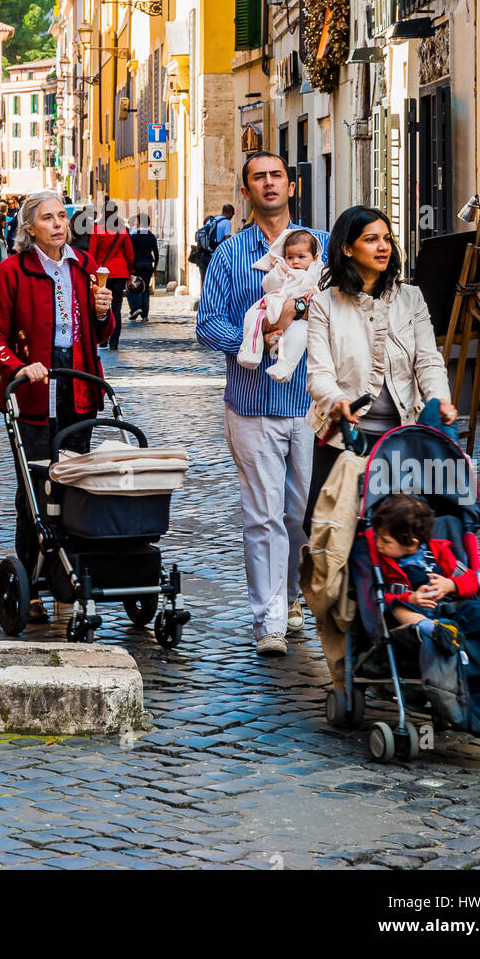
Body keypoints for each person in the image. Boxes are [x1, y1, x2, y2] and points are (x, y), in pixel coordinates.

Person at [197, 152, 329, 657]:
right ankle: (268, 620)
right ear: (247, 190)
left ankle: (293, 596)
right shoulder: (230, 255)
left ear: (291, 186)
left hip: (309, 404)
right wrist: (256, 340)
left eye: (277, 176)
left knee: (299, 513)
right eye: (259, 177)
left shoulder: (318, 249)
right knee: (262, 516)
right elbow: (207, 324)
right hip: (251, 403)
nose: (269, 184)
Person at [0, 191, 114, 621]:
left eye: (62, 217)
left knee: (73, 488)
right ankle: (31, 583)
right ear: (29, 227)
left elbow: (103, 334)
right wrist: (19, 368)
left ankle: (65, 581)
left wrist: (103, 311)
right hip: (34, 392)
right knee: (34, 491)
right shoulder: (12, 270)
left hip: (78, 388)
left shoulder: (85, 268)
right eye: (47, 218)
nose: (57, 224)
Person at [304, 205, 458, 537]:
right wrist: (336, 401)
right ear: (347, 248)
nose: (383, 246)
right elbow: (318, 373)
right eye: (371, 239)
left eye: (386, 238)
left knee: (403, 534)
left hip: (402, 438)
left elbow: (428, 360)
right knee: (329, 532)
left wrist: (439, 400)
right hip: (344, 441)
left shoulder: (411, 299)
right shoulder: (324, 304)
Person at [370, 493, 480, 683]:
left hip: (449, 612)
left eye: (385, 541)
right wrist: (409, 599)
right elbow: (378, 597)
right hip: (415, 618)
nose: (378, 544)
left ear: (411, 543)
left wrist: (451, 584)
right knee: (397, 608)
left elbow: (472, 581)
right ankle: (436, 630)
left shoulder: (439, 551)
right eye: (378, 538)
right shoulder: (384, 563)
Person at [237, 229, 323, 381]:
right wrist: (279, 273)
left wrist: (315, 290)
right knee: (252, 316)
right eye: (290, 257)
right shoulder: (282, 269)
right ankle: (251, 348)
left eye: (301, 257)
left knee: (299, 336)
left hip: (299, 319)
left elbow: (328, 289)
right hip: (272, 304)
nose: (295, 261)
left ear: (315, 257)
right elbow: (268, 285)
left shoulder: (318, 271)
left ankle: (285, 366)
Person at [88, 202, 134, 350]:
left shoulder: (97, 230)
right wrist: (130, 270)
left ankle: (103, 338)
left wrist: (92, 273)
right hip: (119, 272)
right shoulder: (122, 230)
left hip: (102, 273)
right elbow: (129, 253)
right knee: (116, 307)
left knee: (102, 304)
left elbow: (92, 253)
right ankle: (114, 341)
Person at [128, 213, 159, 320]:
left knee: (134, 287)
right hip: (148, 265)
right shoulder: (151, 236)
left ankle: (136, 308)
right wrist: (155, 268)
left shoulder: (134, 235)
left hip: (136, 265)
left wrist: (130, 266)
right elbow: (156, 253)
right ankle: (145, 315)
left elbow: (130, 252)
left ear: (139, 222)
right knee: (145, 290)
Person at [197, 203, 235, 284]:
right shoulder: (227, 222)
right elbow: (227, 241)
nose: (232, 216)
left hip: (205, 254)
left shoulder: (212, 220)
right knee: (217, 282)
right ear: (230, 212)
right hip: (216, 256)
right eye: (233, 214)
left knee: (206, 282)